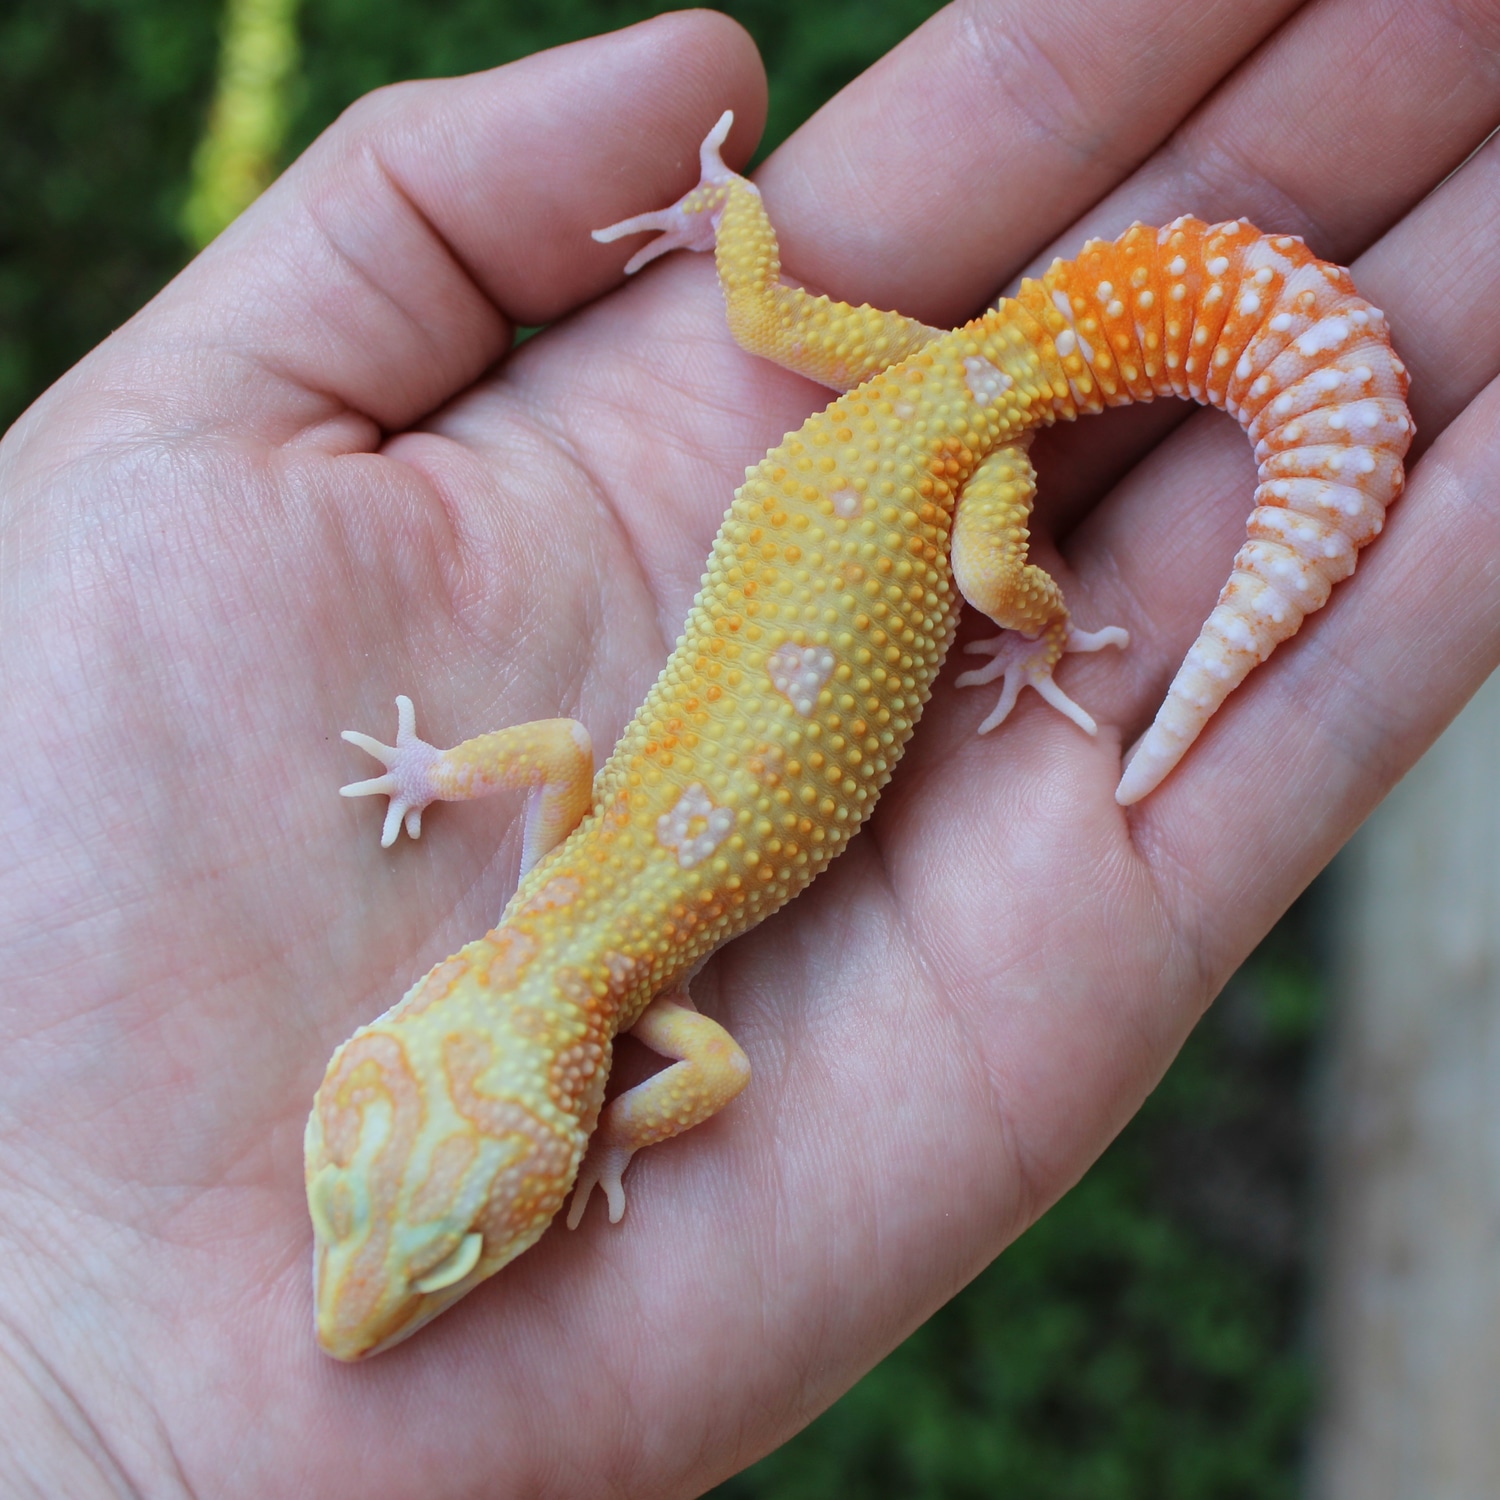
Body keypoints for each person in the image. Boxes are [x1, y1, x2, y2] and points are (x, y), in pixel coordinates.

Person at [0, 4, 1493, 1493]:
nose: (368, 1294)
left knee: (992, 580)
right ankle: (738, 223)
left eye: (431, 1248)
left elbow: (704, 1068)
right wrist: (444, 776)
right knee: (764, 317)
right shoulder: (580, 909)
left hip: (963, 439)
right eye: (436, 1251)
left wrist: (1039, 627)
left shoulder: (640, 990)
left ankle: (1035, 608)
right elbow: (563, 779)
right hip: (919, 396)